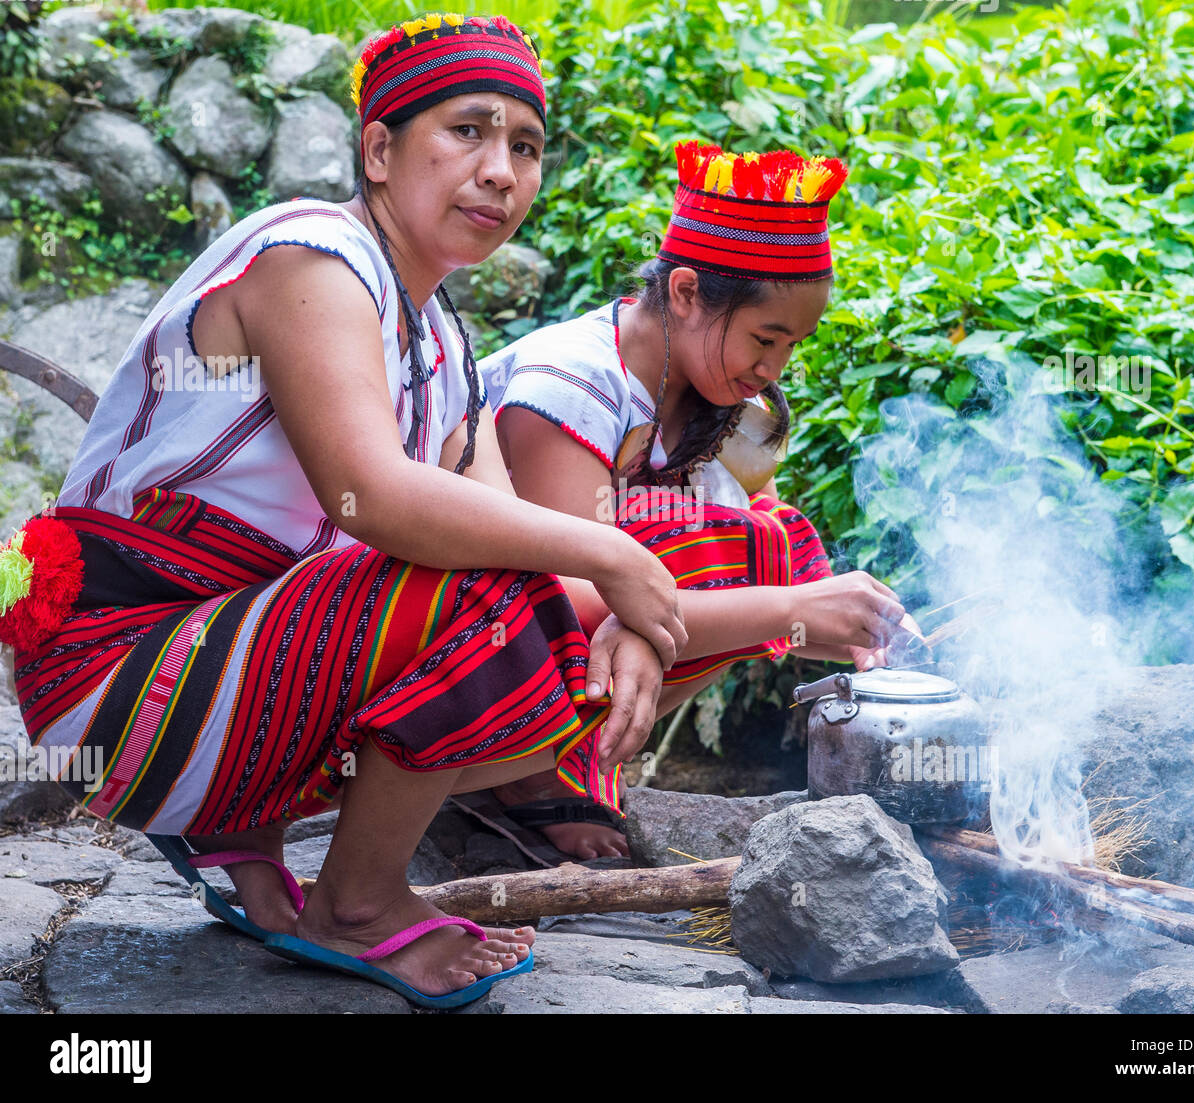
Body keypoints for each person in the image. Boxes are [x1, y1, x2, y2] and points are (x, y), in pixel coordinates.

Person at [0, 11, 686, 1009]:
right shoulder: (312, 254)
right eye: (469, 131)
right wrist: (613, 559)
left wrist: (629, 615)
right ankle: (356, 902)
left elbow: (538, 557)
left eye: (526, 146)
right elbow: (376, 500)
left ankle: (240, 827)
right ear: (377, 148)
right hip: (106, 677)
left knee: (537, 613)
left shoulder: (443, 344)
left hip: (221, 662)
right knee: (470, 579)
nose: (501, 170)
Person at [480, 140, 919, 859]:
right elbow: (565, 597)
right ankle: (527, 772)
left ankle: (586, 747)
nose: (774, 368)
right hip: (489, 628)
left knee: (772, 539)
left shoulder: (724, 397)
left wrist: (840, 628)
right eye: (764, 338)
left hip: (605, 608)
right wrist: (792, 612)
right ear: (684, 294)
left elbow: (759, 549)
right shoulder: (569, 386)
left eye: (792, 346)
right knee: (736, 564)